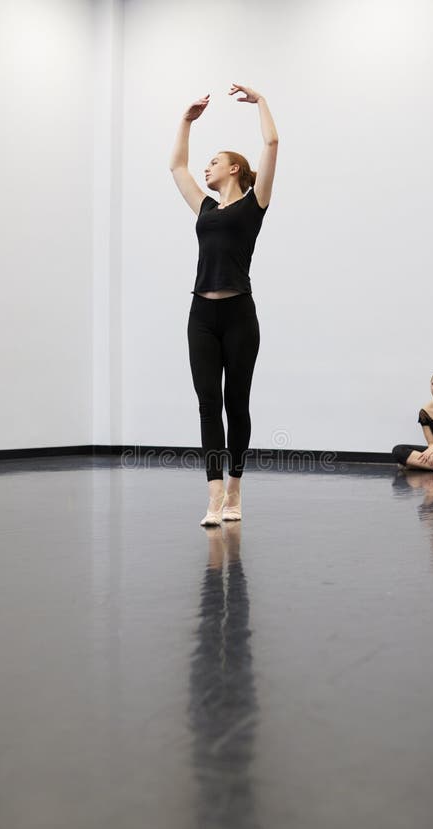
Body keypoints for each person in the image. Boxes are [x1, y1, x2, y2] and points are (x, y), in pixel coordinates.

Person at [170, 84, 278, 526]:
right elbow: (176, 166)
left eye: (213, 161)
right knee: (207, 404)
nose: (206, 167)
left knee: (237, 403)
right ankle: (215, 497)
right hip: (202, 315)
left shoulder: (255, 204)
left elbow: (272, 143)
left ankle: (235, 487)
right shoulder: (205, 210)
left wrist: (262, 103)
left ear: (234, 168)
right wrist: (186, 120)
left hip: (239, 316)